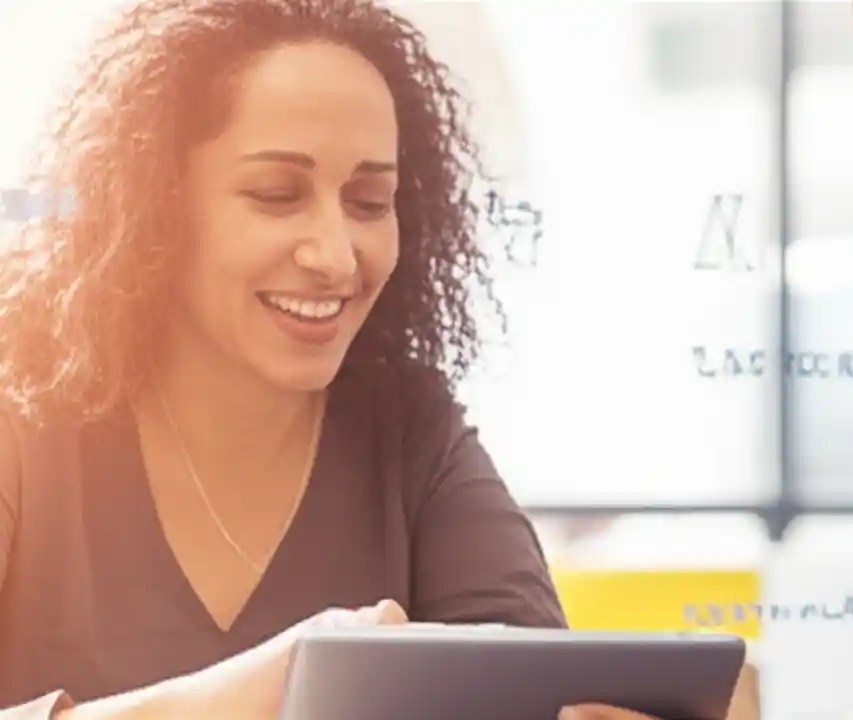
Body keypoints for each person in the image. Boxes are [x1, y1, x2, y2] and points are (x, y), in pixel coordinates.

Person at [0, 0, 568, 717]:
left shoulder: (412, 436)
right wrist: (268, 685)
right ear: (152, 204)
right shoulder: (18, 405)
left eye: (368, 202)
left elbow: (539, 686)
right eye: (276, 195)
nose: (335, 257)